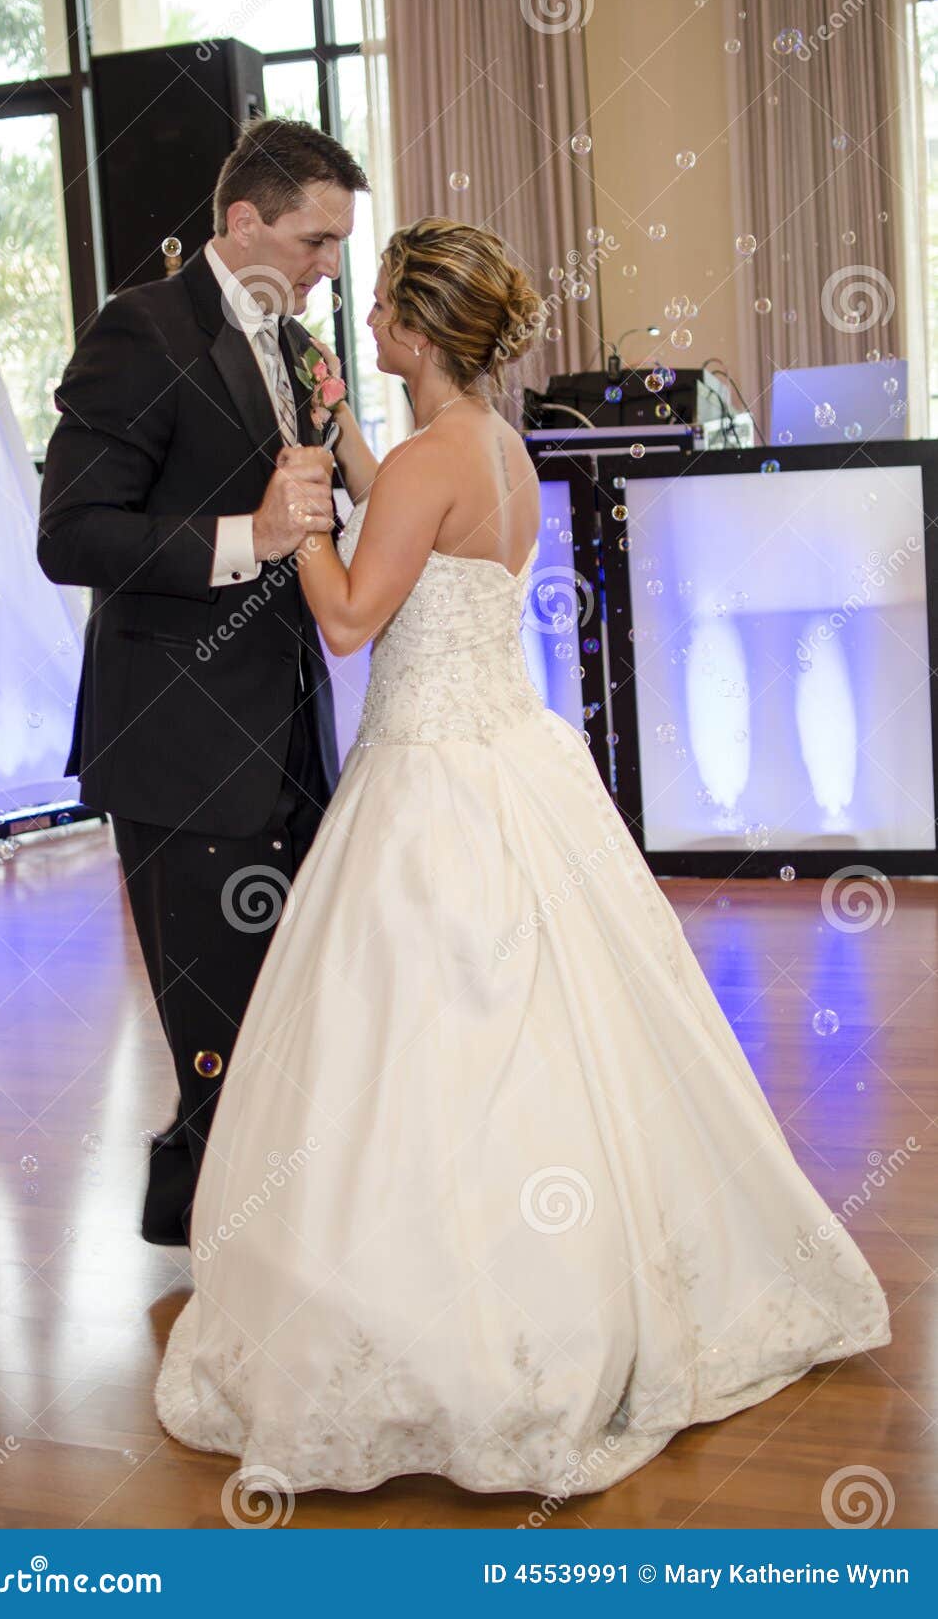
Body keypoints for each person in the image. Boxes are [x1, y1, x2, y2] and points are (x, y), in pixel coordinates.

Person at [153, 217, 891, 1496]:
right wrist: (343, 442)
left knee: (423, 1043)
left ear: (424, 331)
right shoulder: (487, 443)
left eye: (383, 309)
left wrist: (300, 512)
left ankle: (453, 1308)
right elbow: (415, 510)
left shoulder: (439, 456)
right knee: (558, 1029)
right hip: (510, 753)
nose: (368, 324)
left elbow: (343, 621)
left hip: (429, 779)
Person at [37, 119, 368, 1246]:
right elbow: (72, 535)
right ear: (243, 222)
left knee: (283, 1016)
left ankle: (219, 1226)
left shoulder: (292, 344)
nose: (331, 266)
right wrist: (249, 535)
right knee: (215, 1027)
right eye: (317, 239)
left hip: (290, 737)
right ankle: (228, 1253)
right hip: (179, 740)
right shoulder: (138, 331)